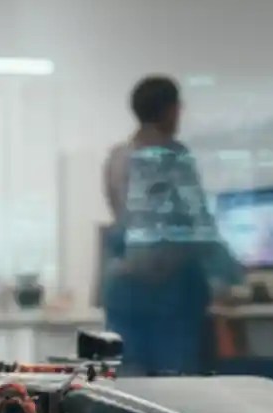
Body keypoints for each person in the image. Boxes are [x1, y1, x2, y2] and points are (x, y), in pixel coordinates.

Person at [102, 76, 242, 376]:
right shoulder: (175, 157)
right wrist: (232, 275)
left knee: (129, 390)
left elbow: (121, 220)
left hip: (123, 289)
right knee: (178, 391)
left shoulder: (117, 157)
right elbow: (198, 224)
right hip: (168, 292)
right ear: (170, 110)